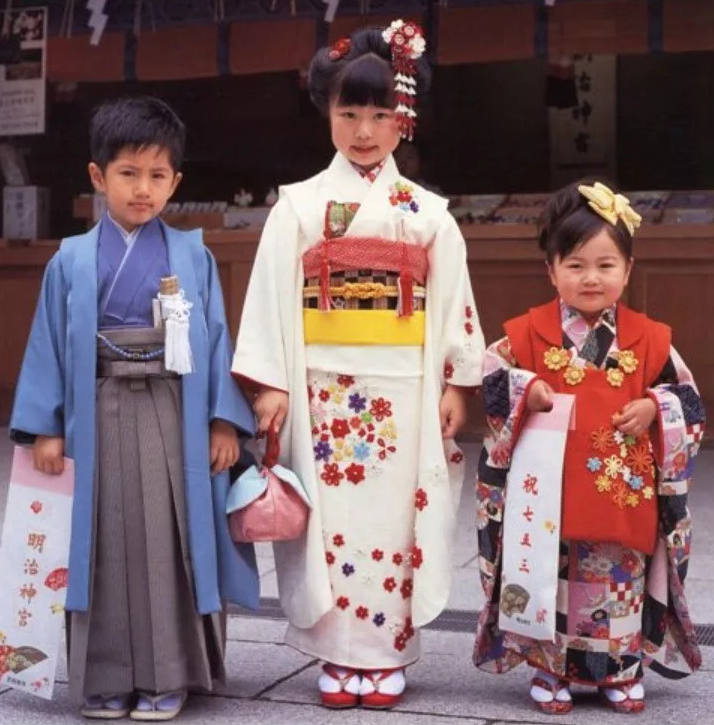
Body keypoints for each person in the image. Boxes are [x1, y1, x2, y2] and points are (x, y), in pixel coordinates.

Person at [232, 21, 484, 710]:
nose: (365, 130)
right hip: (321, 389)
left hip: (404, 389)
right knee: (328, 516)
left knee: (395, 520)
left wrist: (458, 383)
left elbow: (455, 302)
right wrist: (273, 383)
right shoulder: (300, 205)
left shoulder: (428, 214)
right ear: (328, 113)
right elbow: (269, 300)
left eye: (381, 114)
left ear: (405, 118)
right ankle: (337, 654)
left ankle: (387, 654)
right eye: (349, 112)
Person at [10, 96, 257, 721]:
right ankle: (104, 679)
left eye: (157, 175)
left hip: (175, 411)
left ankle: (167, 676)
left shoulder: (193, 255)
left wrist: (222, 418)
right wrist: (46, 425)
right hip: (95, 412)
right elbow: (47, 343)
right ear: (98, 176)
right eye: (127, 173)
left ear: (176, 180)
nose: (142, 190)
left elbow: (218, 337)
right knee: (101, 545)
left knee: (169, 542)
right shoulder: (70, 260)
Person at [473, 180, 704, 714]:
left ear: (628, 267)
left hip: (620, 492)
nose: (591, 278)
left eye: (606, 265)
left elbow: (686, 401)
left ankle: (619, 671)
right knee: (547, 576)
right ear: (551, 269)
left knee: (617, 580)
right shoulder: (526, 333)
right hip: (549, 492)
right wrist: (525, 389)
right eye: (575, 265)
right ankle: (549, 670)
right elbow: (491, 377)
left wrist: (653, 406)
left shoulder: (651, 338)